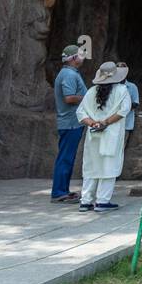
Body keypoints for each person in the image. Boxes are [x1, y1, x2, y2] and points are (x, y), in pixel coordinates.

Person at [76, 61, 133, 212]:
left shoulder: (91, 91)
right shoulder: (122, 90)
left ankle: (86, 201)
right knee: (109, 166)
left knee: (91, 166)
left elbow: (80, 113)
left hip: (93, 134)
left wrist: (93, 123)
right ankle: (102, 201)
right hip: (112, 134)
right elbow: (124, 111)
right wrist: (105, 122)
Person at [51, 45, 88, 203]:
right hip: (70, 123)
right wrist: (88, 97)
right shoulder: (68, 75)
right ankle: (59, 192)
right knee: (65, 158)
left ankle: (63, 190)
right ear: (73, 58)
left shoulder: (70, 73)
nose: (83, 57)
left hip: (71, 122)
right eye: (80, 55)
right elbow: (69, 98)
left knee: (67, 157)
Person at [118, 62, 141, 149]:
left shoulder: (132, 87)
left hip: (126, 123)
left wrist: (122, 107)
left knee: (121, 150)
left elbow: (135, 103)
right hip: (112, 124)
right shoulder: (112, 86)